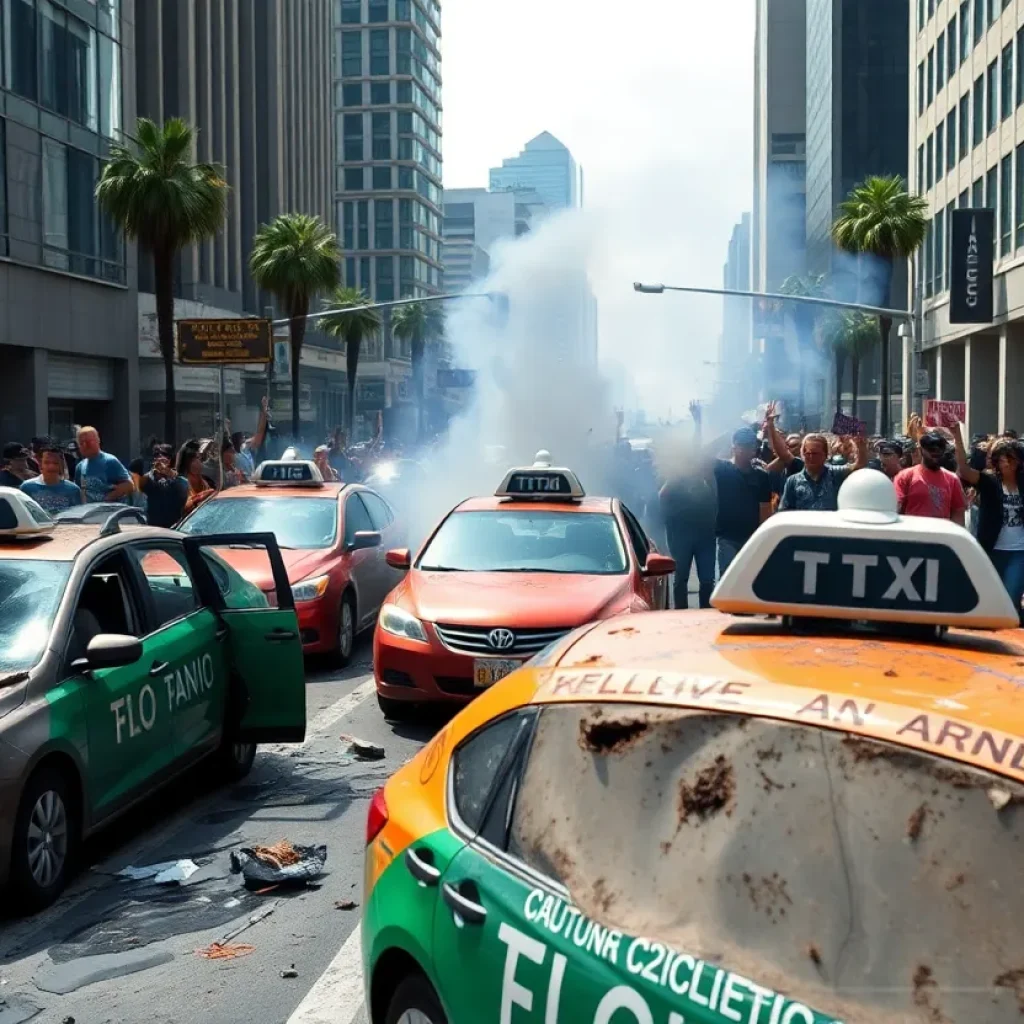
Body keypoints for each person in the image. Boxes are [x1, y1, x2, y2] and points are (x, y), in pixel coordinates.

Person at [952, 423, 1024, 622]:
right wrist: (957, 435)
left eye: (1012, 459)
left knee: (1010, 597)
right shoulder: (990, 482)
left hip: (1019, 552)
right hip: (992, 549)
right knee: (993, 599)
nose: (1008, 463)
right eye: (1004, 459)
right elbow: (964, 471)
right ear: (996, 462)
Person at [711, 423, 782, 574]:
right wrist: (720, 434)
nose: (747, 449)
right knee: (727, 580)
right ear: (734, 447)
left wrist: (763, 538)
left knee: (749, 579)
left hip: (751, 538)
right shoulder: (722, 469)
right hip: (727, 537)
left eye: (750, 445)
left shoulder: (761, 475)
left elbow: (765, 510)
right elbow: (700, 455)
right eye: (742, 445)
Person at [659, 451, 717, 609]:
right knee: (681, 577)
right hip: (681, 535)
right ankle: (681, 613)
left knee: (707, 579)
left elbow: (717, 502)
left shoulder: (708, 479)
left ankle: (706, 612)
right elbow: (662, 497)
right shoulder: (676, 480)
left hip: (706, 535)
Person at [771, 419, 867, 511]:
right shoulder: (793, 481)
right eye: (808, 454)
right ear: (803, 455)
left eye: (816, 454)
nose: (811, 457)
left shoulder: (835, 473)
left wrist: (861, 448)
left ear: (825, 455)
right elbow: (784, 512)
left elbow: (858, 467)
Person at [893, 429, 966, 524]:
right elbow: (896, 508)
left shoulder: (952, 479)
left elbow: (958, 512)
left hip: (941, 536)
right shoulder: (905, 476)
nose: (936, 452)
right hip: (913, 535)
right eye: (931, 449)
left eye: (940, 448)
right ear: (921, 450)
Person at [74, 427, 134, 504]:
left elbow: (129, 485)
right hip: (89, 513)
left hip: (109, 512)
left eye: (89, 441)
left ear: (98, 441)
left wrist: (108, 498)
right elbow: (79, 491)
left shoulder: (109, 461)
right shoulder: (80, 467)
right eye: (82, 443)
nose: (86, 445)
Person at [139, 445, 190, 528]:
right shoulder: (146, 478)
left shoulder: (179, 479)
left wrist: (169, 474)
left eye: (164, 455)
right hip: (151, 526)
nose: (160, 458)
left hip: (174, 527)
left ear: (170, 459)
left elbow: (185, 494)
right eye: (156, 455)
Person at [20, 448, 85, 512]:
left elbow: (78, 516)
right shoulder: (27, 488)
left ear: (61, 466)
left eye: (55, 463)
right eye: (47, 463)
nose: (51, 466)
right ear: (40, 465)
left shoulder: (73, 490)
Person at [179, 444, 217, 515]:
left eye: (199, 458)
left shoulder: (205, 482)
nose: (198, 461)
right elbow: (183, 509)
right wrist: (201, 497)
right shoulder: (181, 483)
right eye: (194, 459)